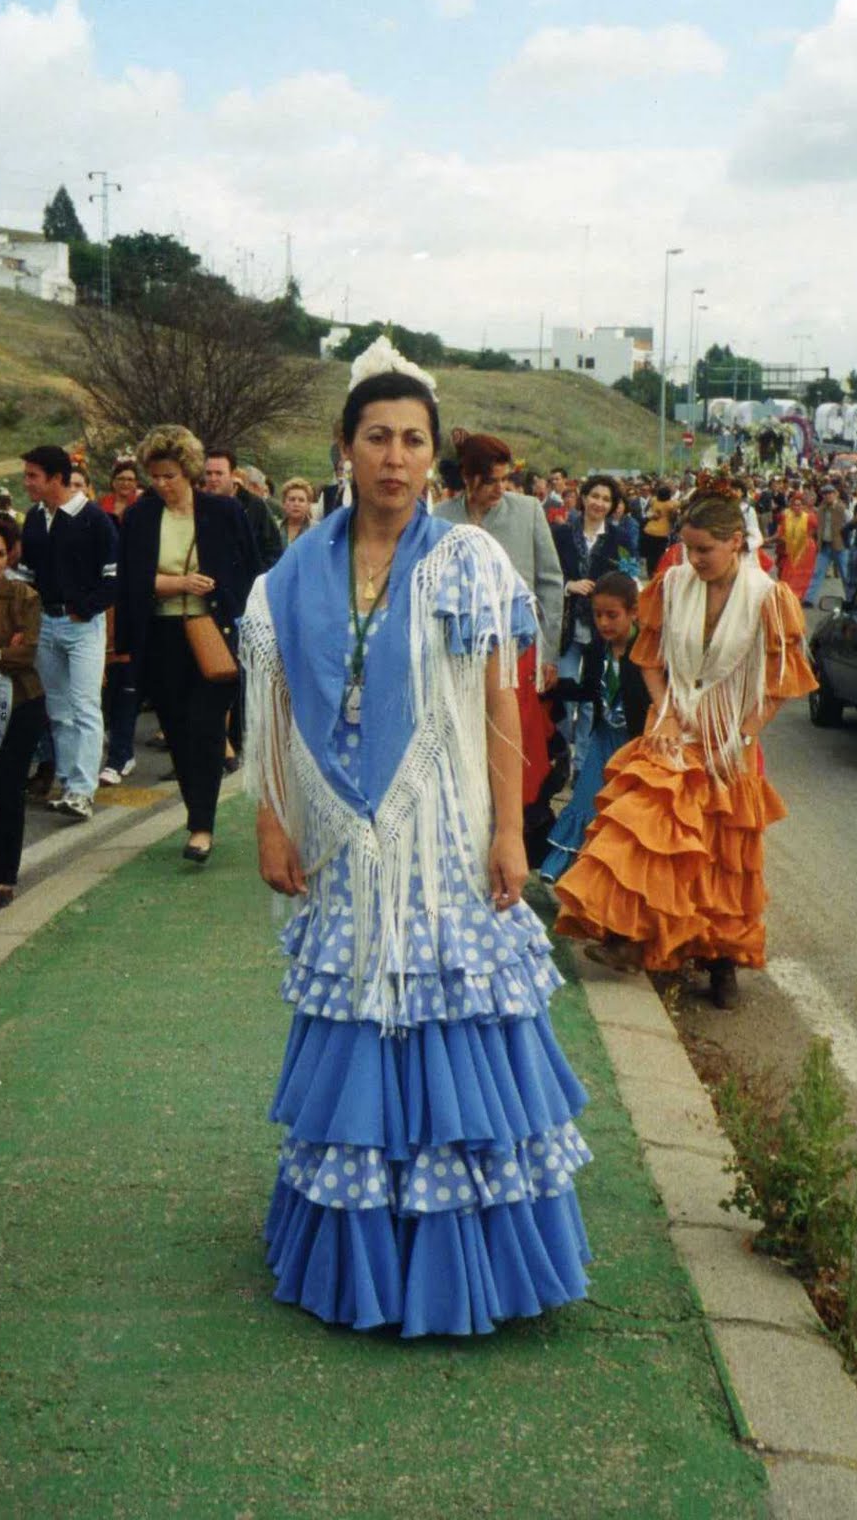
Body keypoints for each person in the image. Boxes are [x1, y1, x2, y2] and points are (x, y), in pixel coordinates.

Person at [240, 336, 591, 1336]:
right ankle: (358, 1250)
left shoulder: (467, 560)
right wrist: (271, 816)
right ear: (344, 448)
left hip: (442, 828)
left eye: (412, 441)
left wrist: (511, 838)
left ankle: (462, 1258)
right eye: (376, 438)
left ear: (433, 457)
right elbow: (271, 710)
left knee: (451, 1010)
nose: (394, 459)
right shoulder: (292, 576)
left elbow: (497, 705)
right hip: (341, 835)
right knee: (356, 1012)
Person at [554, 483, 816, 1010]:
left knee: (720, 854)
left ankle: (722, 966)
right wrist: (668, 712)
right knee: (643, 820)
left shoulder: (769, 598)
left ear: (736, 542)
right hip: (673, 725)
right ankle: (628, 939)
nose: (693, 560)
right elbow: (648, 658)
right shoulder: (671, 584)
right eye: (688, 549)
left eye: (705, 551)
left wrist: (740, 735)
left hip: (729, 737)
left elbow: (783, 683)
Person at [115, 425, 258, 863]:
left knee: (207, 728)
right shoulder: (139, 517)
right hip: (162, 636)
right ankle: (197, 814)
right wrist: (176, 582)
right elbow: (129, 581)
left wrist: (236, 611)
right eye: (154, 475)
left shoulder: (224, 512)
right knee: (177, 730)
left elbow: (250, 570)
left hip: (214, 634)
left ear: (189, 472)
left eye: (170, 475)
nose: (161, 484)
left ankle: (202, 826)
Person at [433, 432, 564, 815]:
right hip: (459, 660)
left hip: (517, 657)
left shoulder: (527, 511)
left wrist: (547, 653)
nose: (499, 489)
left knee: (513, 752)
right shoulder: (441, 518)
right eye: (490, 481)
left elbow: (551, 585)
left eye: (504, 480)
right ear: (467, 477)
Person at [19, 444, 117, 821]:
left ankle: (82, 791)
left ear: (56, 479)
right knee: (58, 710)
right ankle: (66, 783)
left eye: (33, 476)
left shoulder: (94, 519)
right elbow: (28, 575)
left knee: (85, 707)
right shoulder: (34, 519)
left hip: (82, 628)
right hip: (45, 625)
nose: (27, 483)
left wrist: (85, 609)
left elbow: (113, 578)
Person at [541, 573, 648, 884]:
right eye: (597, 615)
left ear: (633, 611)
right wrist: (551, 689)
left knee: (620, 812)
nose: (603, 622)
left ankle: (606, 882)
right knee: (587, 799)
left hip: (634, 746)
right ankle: (565, 873)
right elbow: (589, 691)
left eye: (612, 615)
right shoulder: (596, 650)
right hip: (602, 740)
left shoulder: (645, 653)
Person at [0, 518, 46, 915]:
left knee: (7, 791)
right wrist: (0, 650)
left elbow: (27, 651)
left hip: (18, 705)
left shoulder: (24, 595)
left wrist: (5, 653)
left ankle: (3, 877)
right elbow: (9, 651)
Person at [552, 475, 626, 774]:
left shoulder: (618, 538)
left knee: (591, 698)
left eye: (606, 499)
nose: (599, 503)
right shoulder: (560, 533)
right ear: (583, 497)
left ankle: (582, 763)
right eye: (594, 496)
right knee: (564, 691)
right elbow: (546, 573)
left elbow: (625, 579)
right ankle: (560, 757)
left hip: (601, 627)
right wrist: (569, 585)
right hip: (567, 624)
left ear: (612, 506)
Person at [202, 449, 281, 570]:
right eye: (208, 473)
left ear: (232, 475)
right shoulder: (198, 505)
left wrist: (257, 577)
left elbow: (273, 549)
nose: (213, 479)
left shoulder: (254, 505)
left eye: (219, 473)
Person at [774, 492, 818, 604]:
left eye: (799, 505)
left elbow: (812, 532)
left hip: (806, 549)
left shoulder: (810, 517)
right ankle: (788, 595)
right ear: (791, 506)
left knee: (803, 574)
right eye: (795, 505)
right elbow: (781, 534)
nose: (797, 507)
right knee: (789, 572)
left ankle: (798, 596)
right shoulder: (787, 517)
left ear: (803, 506)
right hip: (792, 548)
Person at [640, 483, 678, 575]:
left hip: (649, 531)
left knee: (650, 556)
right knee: (659, 555)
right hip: (662, 533)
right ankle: (657, 572)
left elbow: (647, 511)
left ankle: (650, 572)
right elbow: (673, 519)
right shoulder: (673, 505)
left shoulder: (653, 501)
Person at [279, 478, 316, 548]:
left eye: (301, 500)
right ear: (284, 503)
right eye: (292, 499)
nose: (296, 504)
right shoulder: (275, 528)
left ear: (308, 505)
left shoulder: (318, 529)